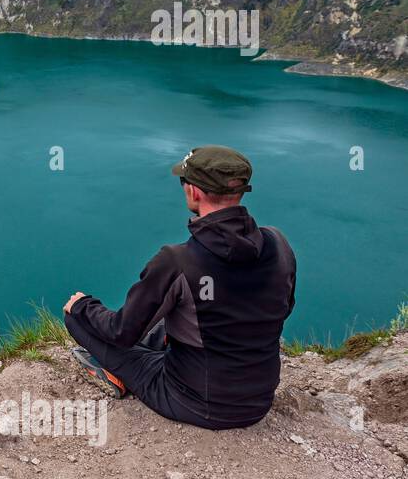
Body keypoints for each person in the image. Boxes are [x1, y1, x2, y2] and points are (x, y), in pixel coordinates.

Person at [62, 146, 296, 430]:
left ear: (194, 191)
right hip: (258, 401)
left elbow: (121, 332)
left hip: (195, 401)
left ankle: (115, 374)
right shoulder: (278, 243)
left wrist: (83, 306)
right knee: (182, 313)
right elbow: (283, 310)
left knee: (78, 319)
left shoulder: (177, 261)